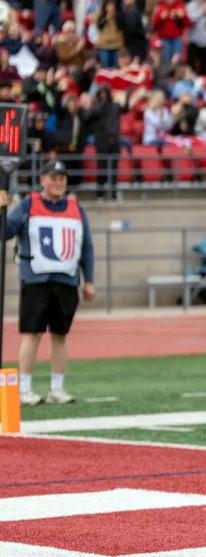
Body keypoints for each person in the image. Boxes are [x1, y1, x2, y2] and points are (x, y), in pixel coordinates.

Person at [0, 161, 95, 406]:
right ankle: (24, 388)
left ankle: (57, 388)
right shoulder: (28, 204)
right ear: (42, 180)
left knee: (60, 335)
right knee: (32, 334)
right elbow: (7, 232)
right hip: (36, 279)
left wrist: (89, 279)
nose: (58, 183)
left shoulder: (76, 207)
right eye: (53, 178)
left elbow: (86, 247)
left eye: (62, 178)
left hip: (66, 279)